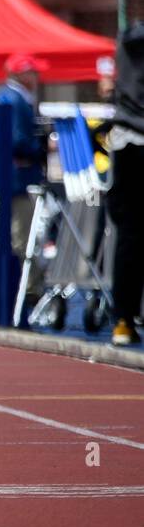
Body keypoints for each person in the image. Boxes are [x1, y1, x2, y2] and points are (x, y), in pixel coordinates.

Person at [0, 53, 48, 305]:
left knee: (18, 236)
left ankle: (21, 286)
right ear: (21, 74)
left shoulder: (7, 98)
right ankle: (25, 289)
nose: (36, 77)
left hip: (11, 179)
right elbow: (17, 142)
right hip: (15, 180)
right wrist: (41, 147)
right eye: (32, 72)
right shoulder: (12, 99)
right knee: (22, 237)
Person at [107, 23, 144, 346]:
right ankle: (123, 318)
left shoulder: (129, 40)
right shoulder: (134, 40)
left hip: (128, 142)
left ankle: (124, 318)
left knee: (129, 236)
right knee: (131, 236)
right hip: (132, 142)